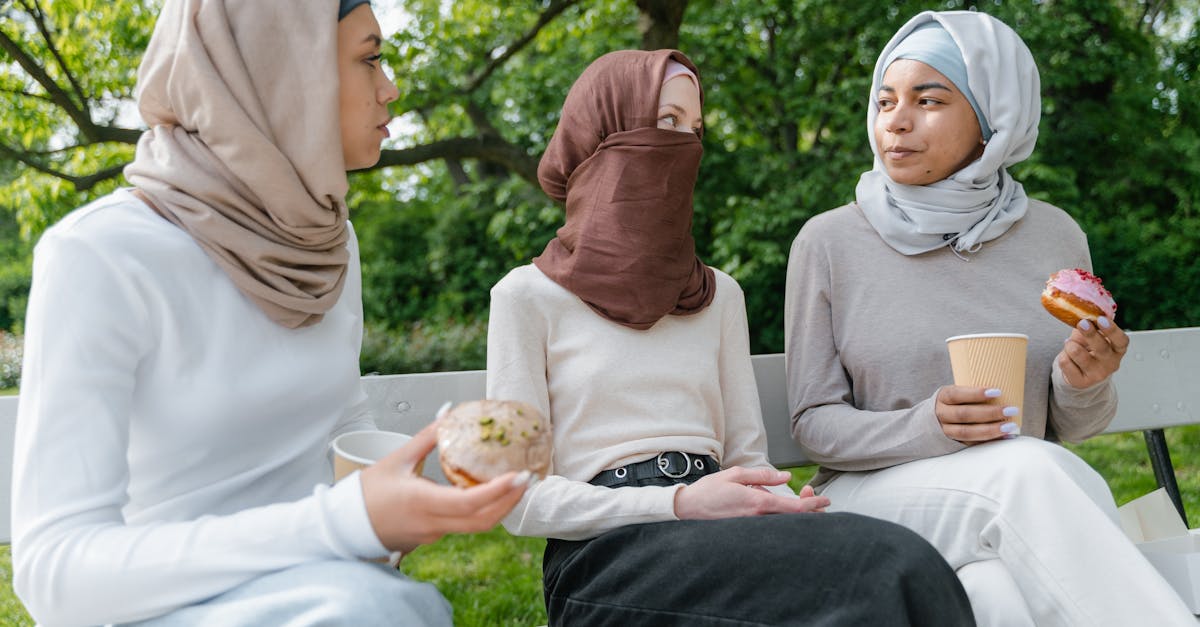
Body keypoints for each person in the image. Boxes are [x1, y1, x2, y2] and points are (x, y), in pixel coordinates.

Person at [10, 2, 529, 625]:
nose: (390, 89)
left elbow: (340, 429)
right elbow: (55, 576)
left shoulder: (328, 243)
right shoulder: (102, 254)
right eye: (369, 59)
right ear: (279, 71)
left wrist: (393, 507)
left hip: (333, 591)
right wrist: (341, 523)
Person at [487, 48, 976, 626]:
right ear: (604, 131)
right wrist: (679, 501)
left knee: (902, 562)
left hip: (724, 528)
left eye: (694, 130)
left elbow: (746, 457)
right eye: (665, 123)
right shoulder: (526, 296)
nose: (684, 146)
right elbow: (517, 499)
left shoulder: (719, 294)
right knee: (884, 567)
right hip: (604, 558)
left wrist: (778, 502)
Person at [784, 10, 1196, 627]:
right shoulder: (830, 242)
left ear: (992, 116)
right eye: (885, 100)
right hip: (868, 494)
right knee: (1029, 471)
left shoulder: (1054, 235)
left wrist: (1082, 383)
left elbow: (1070, 424)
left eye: (929, 100)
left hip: (1023, 499)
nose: (895, 121)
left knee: (996, 596)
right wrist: (928, 427)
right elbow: (813, 424)